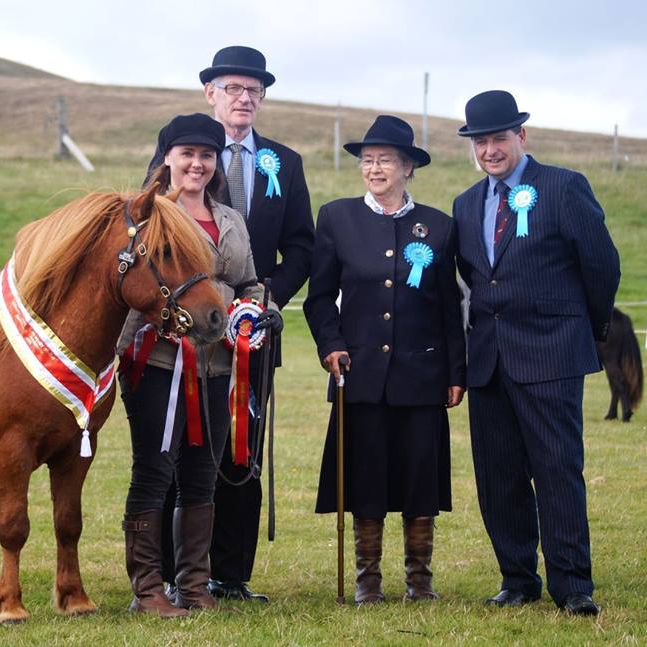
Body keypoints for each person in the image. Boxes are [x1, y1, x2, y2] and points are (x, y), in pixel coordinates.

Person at [146, 45, 314, 603]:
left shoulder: (284, 163)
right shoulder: (178, 150)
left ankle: (231, 574)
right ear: (211, 92)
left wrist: (261, 308)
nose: (244, 98)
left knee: (240, 452)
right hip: (179, 340)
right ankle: (172, 574)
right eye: (233, 88)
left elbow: (301, 247)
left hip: (248, 339)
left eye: (254, 90)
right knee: (175, 450)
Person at [453, 90, 621, 616]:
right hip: (489, 360)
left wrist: (583, 330)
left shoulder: (565, 187)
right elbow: (474, 278)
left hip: (552, 355)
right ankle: (517, 578)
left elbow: (601, 265)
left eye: (499, 138)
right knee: (498, 475)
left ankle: (572, 585)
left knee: (556, 469)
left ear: (521, 136)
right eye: (480, 142)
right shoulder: (465, 203)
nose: (490, 150)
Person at [117, 113, 282, 617]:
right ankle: (147, 589)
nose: (197, 164)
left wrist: (263, 311)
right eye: (186, 154)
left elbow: (250, 280)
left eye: (206, 155)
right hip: (159, 360)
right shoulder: (145, 216)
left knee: (201, 475)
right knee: (154, 470)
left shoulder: (231, 220)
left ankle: (194, 585)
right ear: (166, 158)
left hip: (218, 363)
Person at [304, 115, 466, 604]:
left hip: (423, 374)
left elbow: (448, 305)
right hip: (360, 375)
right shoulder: (336, 217)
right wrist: (331, 345)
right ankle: (367, 581)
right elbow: (318, 299)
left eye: (386, 161)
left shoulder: (440, 226)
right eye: (368, 161)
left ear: (408, 167)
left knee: (420, 477)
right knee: (366, 477)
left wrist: (456, 372)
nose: (374, 169)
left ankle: (420, 580)